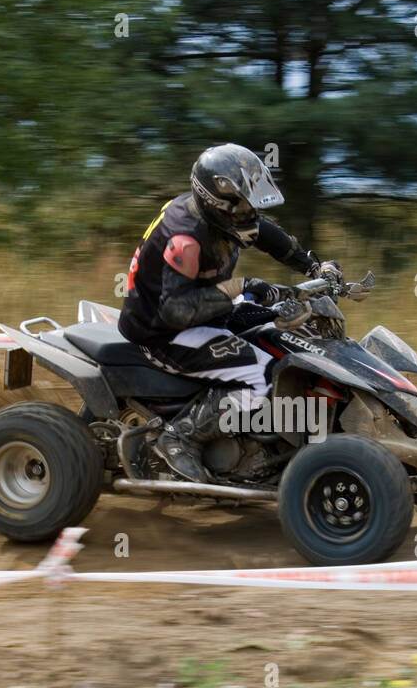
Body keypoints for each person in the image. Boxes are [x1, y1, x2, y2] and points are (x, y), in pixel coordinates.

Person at [118, 142, 333, 482]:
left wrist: (315, 269)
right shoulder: (185, 238)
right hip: (162, 329)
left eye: (252, 203)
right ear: (217, 203)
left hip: (203, 312)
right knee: (260, 374)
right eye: (244, 205)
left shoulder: (225, 220)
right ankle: (181, 436)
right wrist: (242, 287)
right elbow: (176, 311)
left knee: (283, 330)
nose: (251, 212)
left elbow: (271, 237)